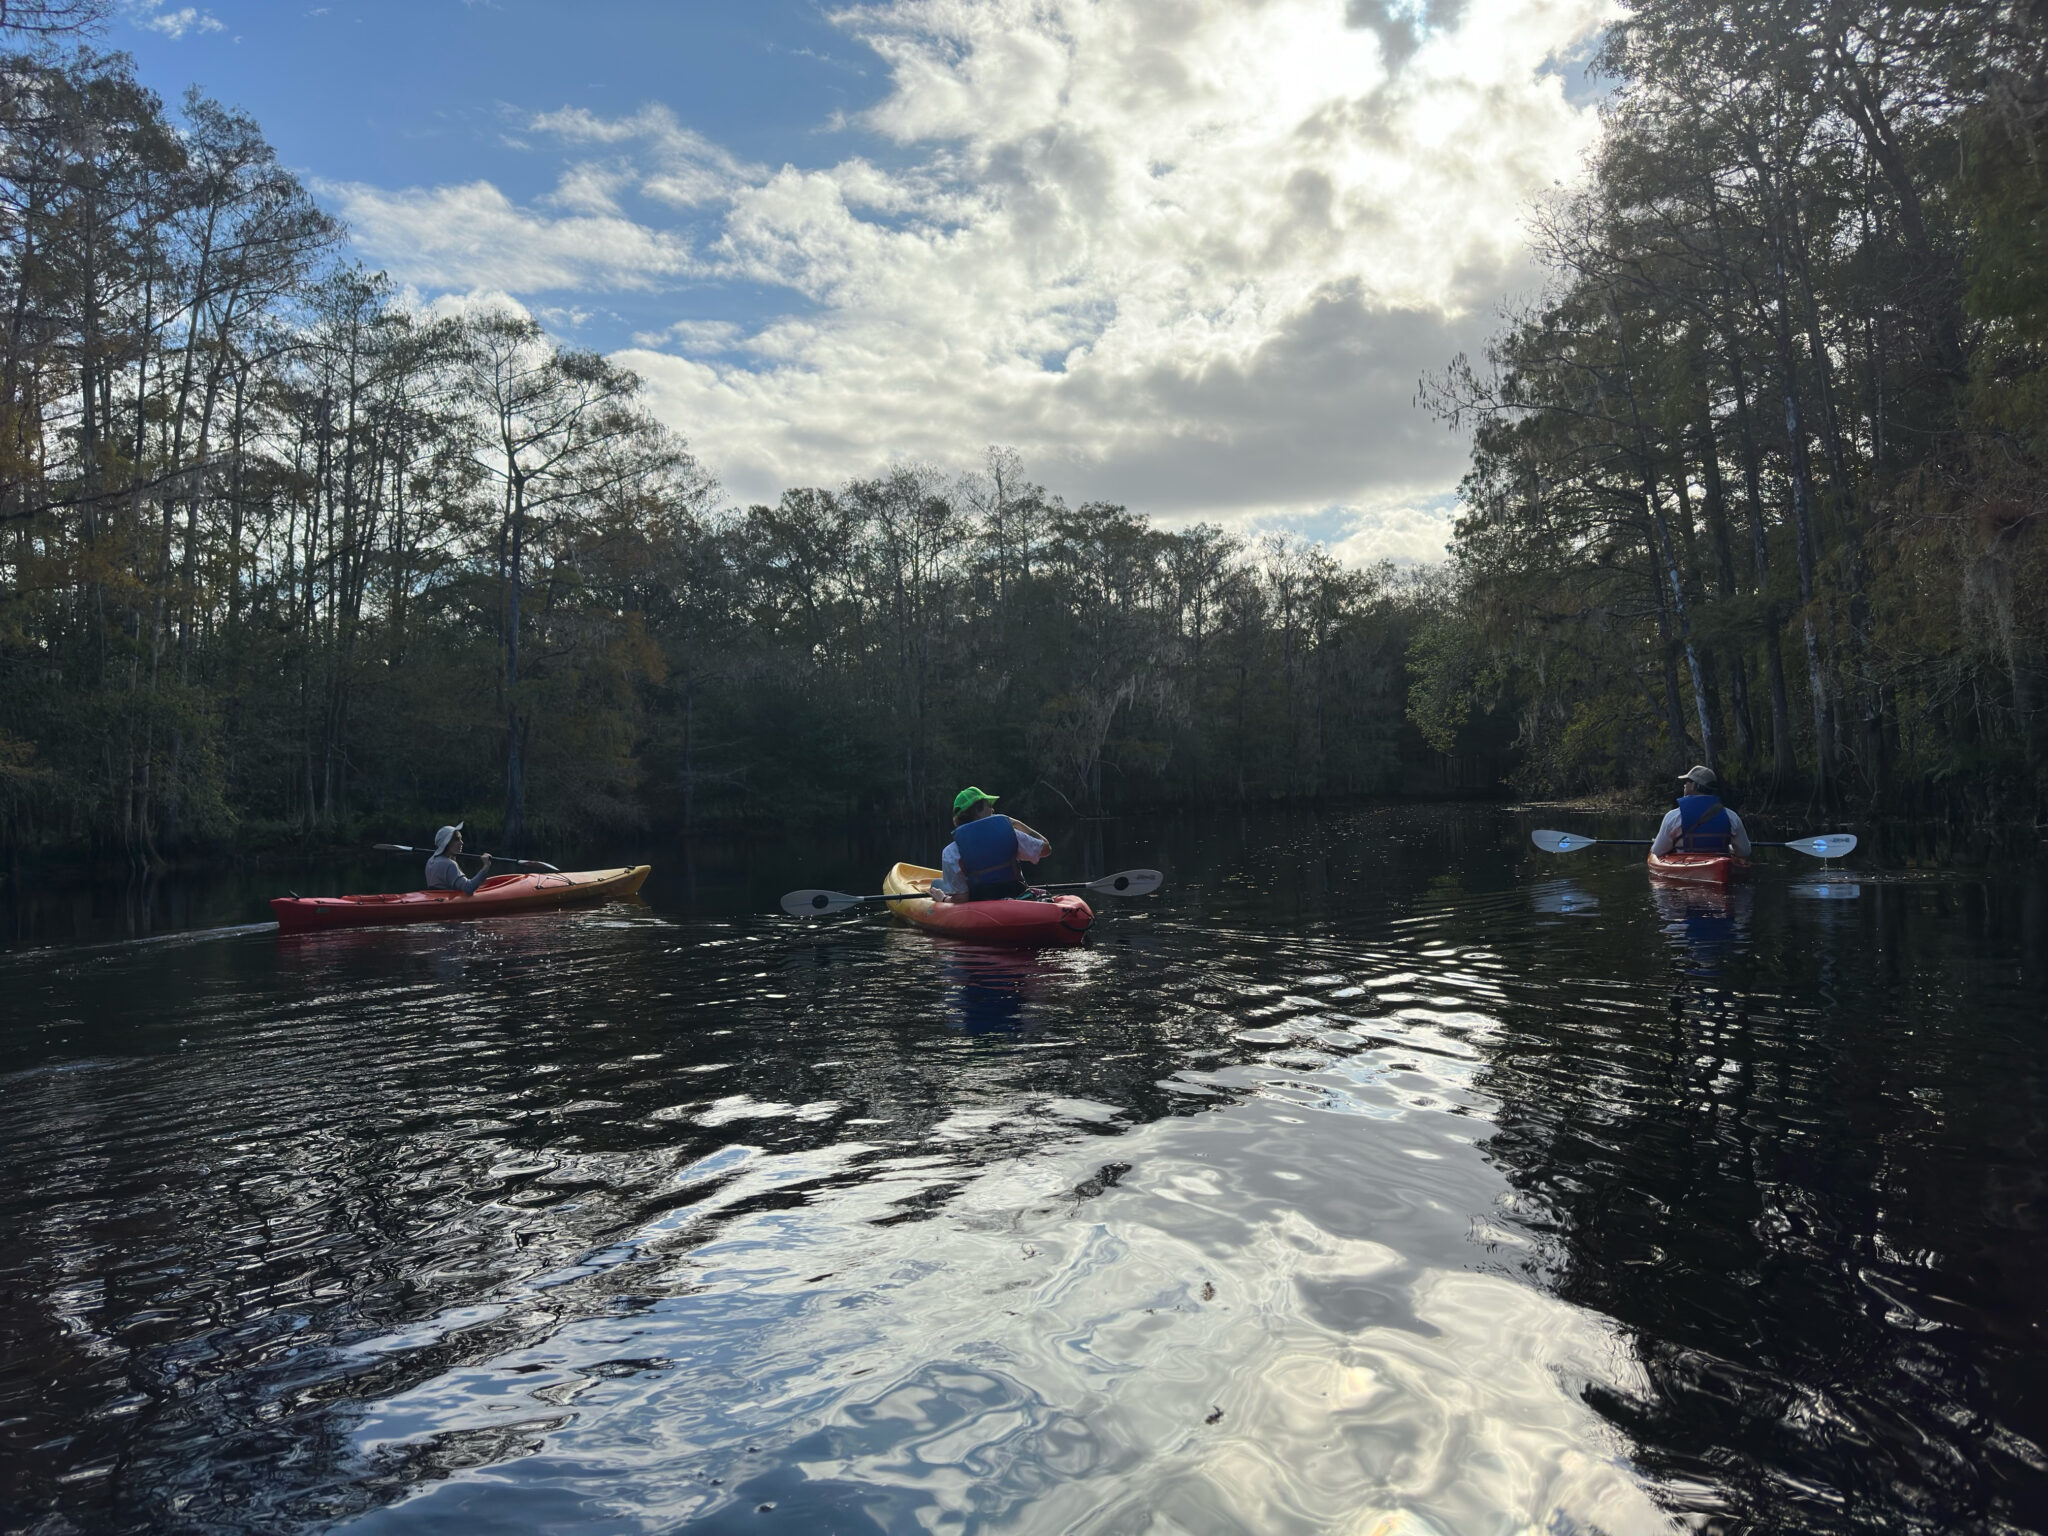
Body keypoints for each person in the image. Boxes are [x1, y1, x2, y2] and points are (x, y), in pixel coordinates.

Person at [931, 787, 1051, 902]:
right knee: (937, 883)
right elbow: (1046, 849)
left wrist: (943, 898)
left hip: (979, 905)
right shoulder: (1011, 834)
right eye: (989, 806)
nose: (993, 810)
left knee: (936, 884)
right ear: (977, 811)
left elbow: (961, 899)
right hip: (1017, 896)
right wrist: (1015, 823)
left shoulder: (950, 853)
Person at [1650, 765, 1753, 857]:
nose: (1684, 784)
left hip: (1685, 869)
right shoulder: (1732, 817)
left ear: (1695, 785)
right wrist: (1730, 849)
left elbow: (1657, 852)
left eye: (1687, 781)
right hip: (1720, 866)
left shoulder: (1673, 817)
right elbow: (1745, 852)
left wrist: (1656, 843)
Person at [423, 823, 493, 894]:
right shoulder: (450, 864)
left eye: (461, 839)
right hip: (447, 902)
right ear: (447, 843)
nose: (462, 842)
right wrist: (486, 866)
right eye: (457, 839)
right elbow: (469, 888)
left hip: (436, 899)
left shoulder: (431, 860)